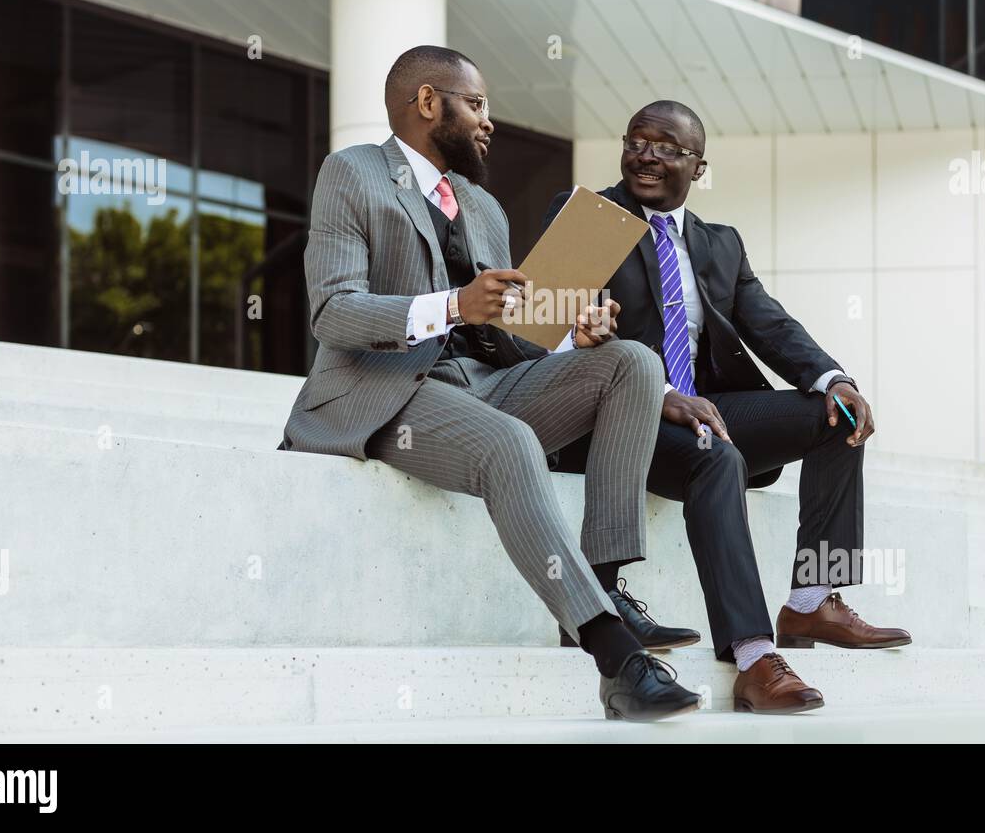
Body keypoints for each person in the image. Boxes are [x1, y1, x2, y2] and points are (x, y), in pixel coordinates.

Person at [280, 49, 702, 721]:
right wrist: (451, 304)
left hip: (481, 384)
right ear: (426, 104)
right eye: (475, 104)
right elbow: (332, 310)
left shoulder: (482, 206)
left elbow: (503, 333)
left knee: (633, 362)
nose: (489, 122)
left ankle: (604, 583)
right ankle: (616, 658)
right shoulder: (351, 174)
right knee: (509, 444)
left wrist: (569, 334)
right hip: (385, 392)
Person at [543, 100, 911, 714]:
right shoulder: (589, 218)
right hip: (614, 414)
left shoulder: (719, 245)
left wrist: (834, 378)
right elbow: (538, 331)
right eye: (637, 141)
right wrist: (617, 361)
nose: (646, 155)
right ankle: (751, 656)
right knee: (719, 459)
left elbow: (770, 325)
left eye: (666, 147)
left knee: (836, 420)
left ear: (699, 165)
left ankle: (812, 600)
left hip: (701, 412)